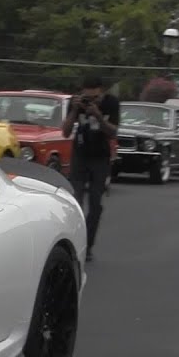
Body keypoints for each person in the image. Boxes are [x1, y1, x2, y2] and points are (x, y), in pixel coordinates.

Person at [61, 76, 120, 262]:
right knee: (75, 201)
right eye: (87, 98)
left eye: (94, 98)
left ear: (101, 92)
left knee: (95, 204)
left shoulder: (111, 103)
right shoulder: (76, 102)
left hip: (100, 156)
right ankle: (74, 243)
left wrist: (98, 115)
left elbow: (113, 132)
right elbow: (65, 131)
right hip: (80, 154)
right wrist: (75, 110)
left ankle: (88, 246)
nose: (90, 101)